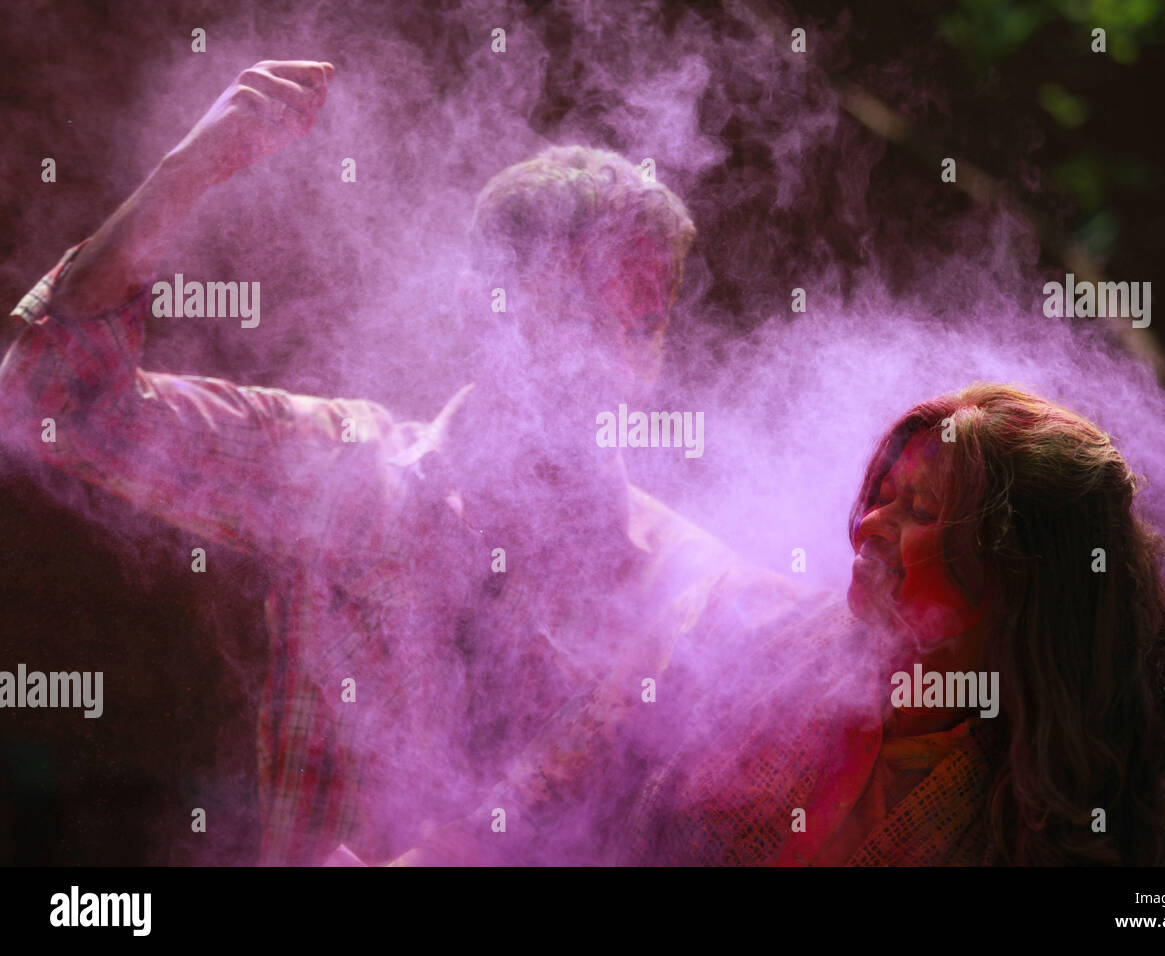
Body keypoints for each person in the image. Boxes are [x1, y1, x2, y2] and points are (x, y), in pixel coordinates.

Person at [1, 60, 778, 865]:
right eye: (577, 317)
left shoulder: (685, 582)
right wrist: (185, 175)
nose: (610, 366)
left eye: (642, 329)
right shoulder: (344, 476)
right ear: (488, 307)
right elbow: (56, 400)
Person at [619, 383, 1165, 865]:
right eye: (883, 495)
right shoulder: (768, 648)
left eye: (921, 512)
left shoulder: (1053, 821)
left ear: (1020, 577)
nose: (870, 523)